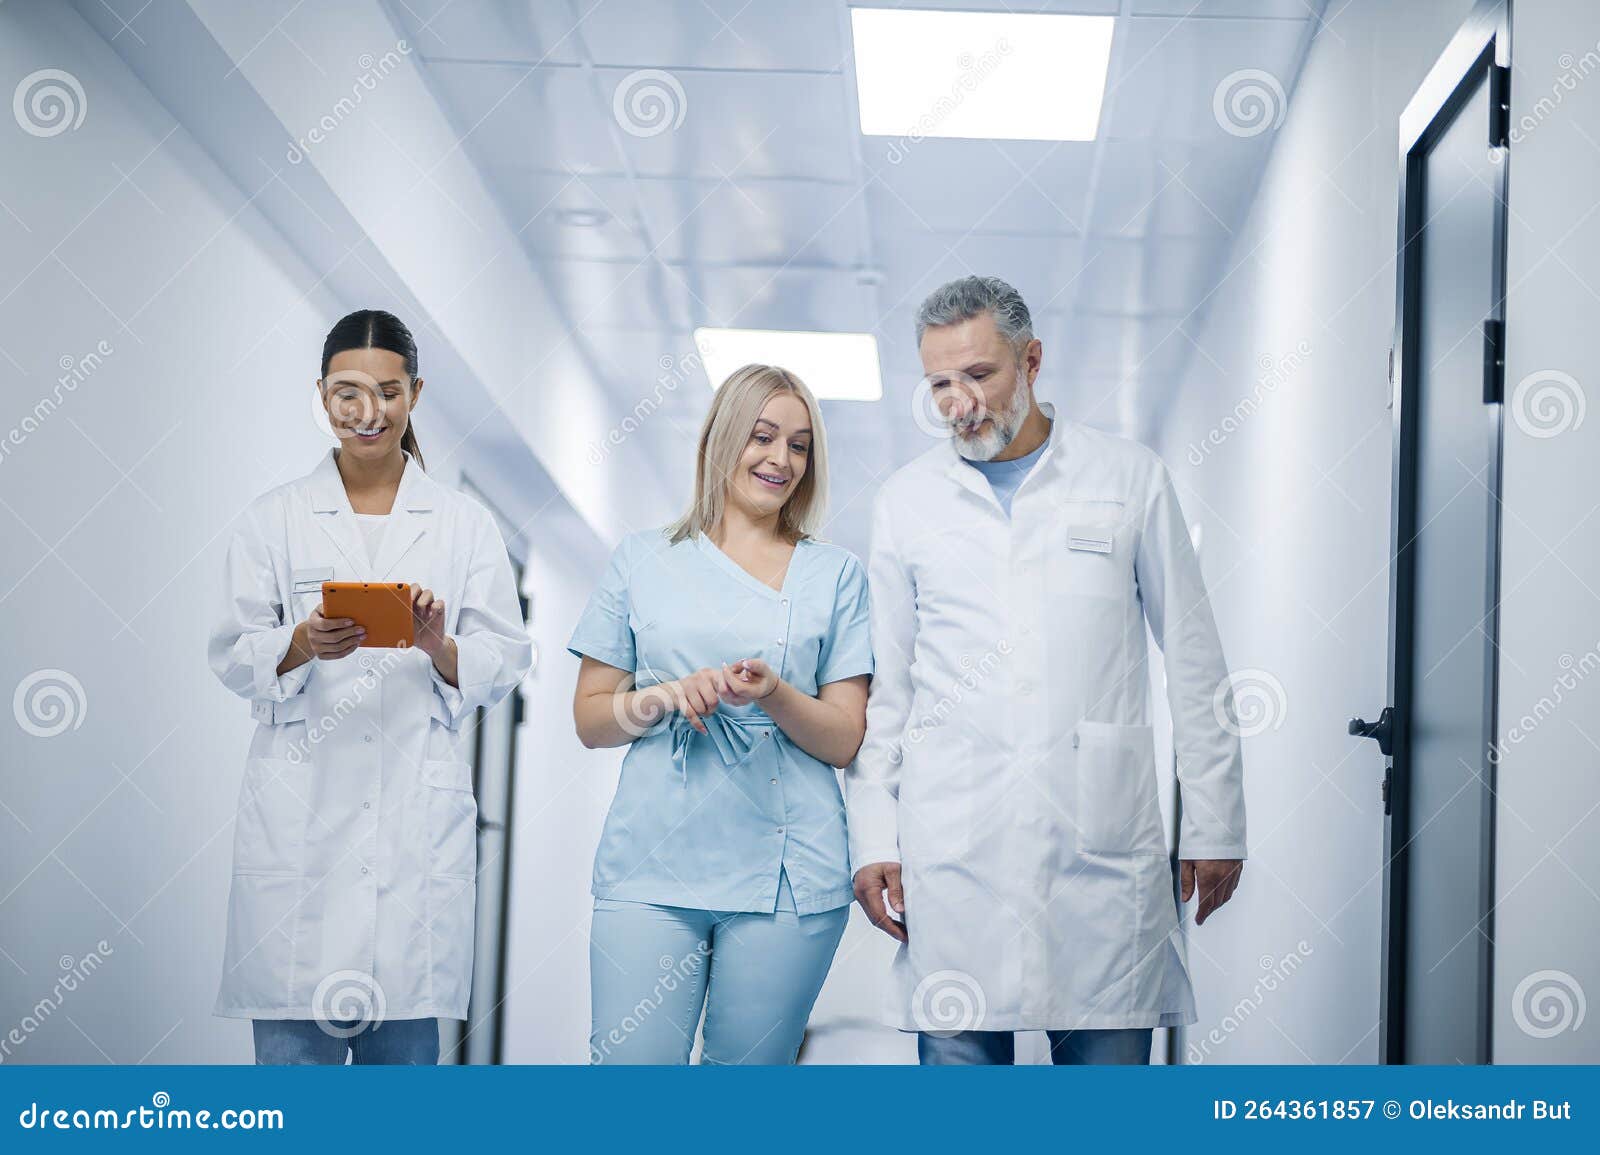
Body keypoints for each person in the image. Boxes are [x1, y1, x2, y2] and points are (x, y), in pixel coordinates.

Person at [846, 276, 1247, 1065]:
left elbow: (1194, 657)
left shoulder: (1128, 478)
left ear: (1032, 360)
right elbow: (886, 688)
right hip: (957, 846)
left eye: (981, 374)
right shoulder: (907, 501)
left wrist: (1216, 818)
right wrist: (872, 836)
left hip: (1098, 848)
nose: (960, 402)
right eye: (939, 384)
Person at [208, 309, 531, 1064]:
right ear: (322, 394)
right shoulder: (274, 520)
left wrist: (434, 643)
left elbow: (506, 659)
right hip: (302, 841)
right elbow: (230, 651)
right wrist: (298, 641)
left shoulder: (462, 525)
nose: (368, 412)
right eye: (348, 393)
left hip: (411, 853)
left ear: (414, 393)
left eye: (388, 392)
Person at [569, 364, 872, 1065]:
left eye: (799, 445)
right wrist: (660, 698)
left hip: (789, 874)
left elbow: (844, 736)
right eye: (762, 437)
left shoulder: (836, 574)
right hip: (653, 863)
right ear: (721, 439)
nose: (780, 460)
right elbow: (590, 718)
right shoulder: (642, 560)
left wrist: (773, 690)